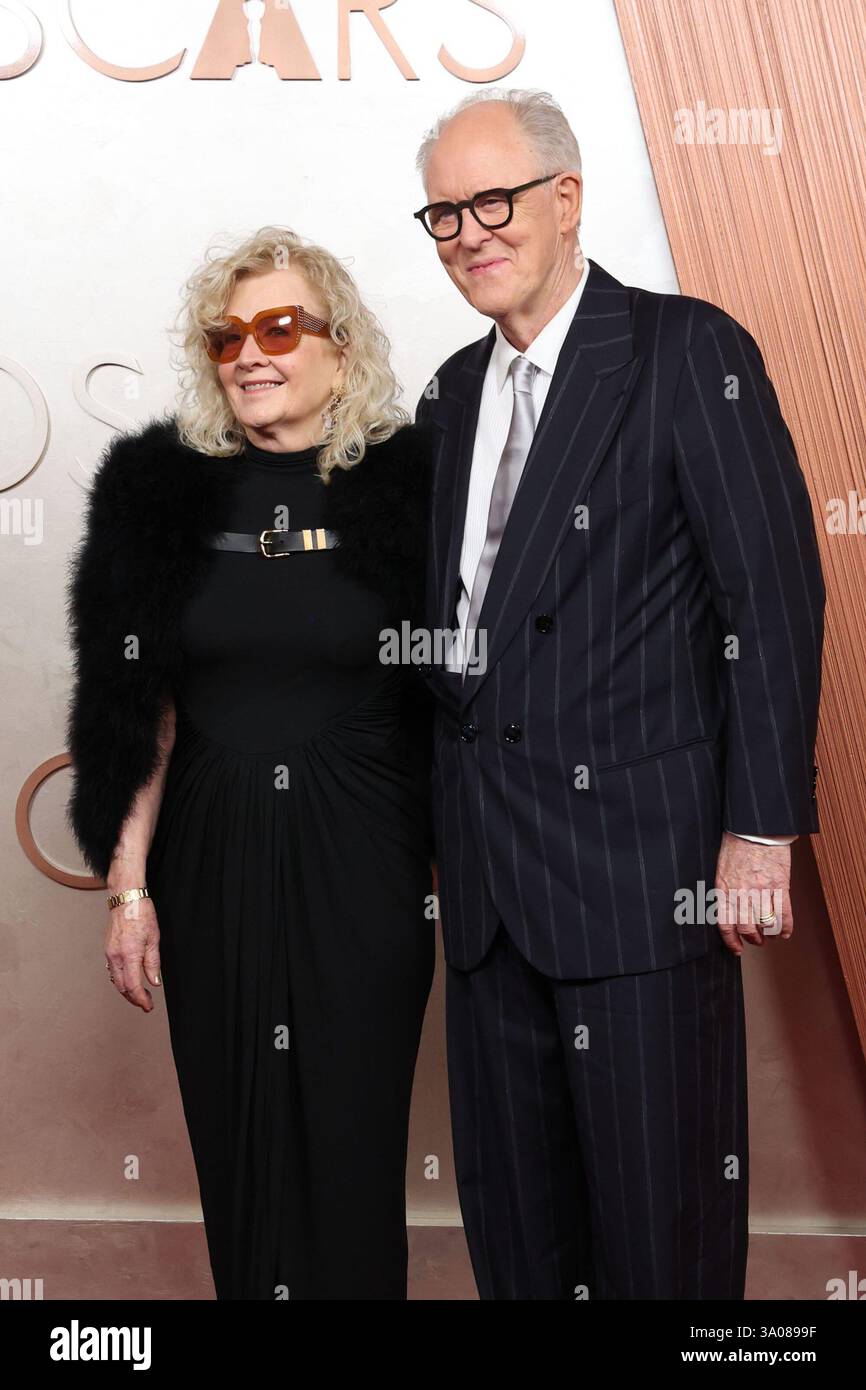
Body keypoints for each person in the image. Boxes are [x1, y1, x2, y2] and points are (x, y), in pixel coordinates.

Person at [412, 89, 825, 1299]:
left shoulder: (685, 350)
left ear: (564, 198)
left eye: (492, 201)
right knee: (519, 1240)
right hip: (485, 895)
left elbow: (772, 598)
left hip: (642, 884)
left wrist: (756, 834)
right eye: (442, 214)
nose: (469, 233)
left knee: (662, 1232)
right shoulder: (446, 392)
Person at [65, 225, 436, 1300]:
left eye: (278, 327)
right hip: (213, 853)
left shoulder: (411, 480)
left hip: (366, 859)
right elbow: (135, 712)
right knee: (239, 1144)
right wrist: (128, 888)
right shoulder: (155, 487)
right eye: (225, 336)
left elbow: (463, 690)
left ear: (339, 343)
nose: (249, 354)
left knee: (352, 1143)